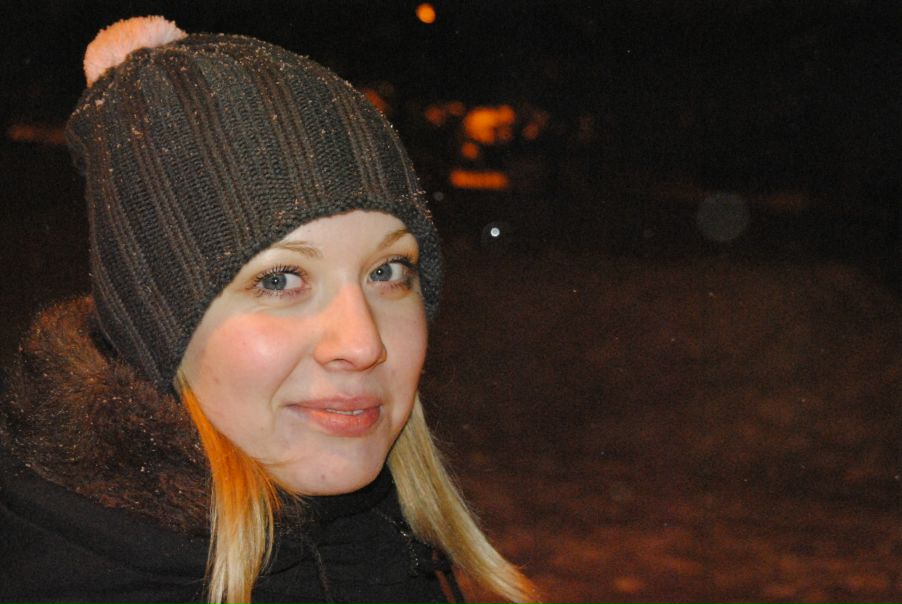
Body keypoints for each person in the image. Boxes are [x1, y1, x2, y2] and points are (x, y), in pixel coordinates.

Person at [0, 16, 539, 604]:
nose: (363, 344)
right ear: (154, 327)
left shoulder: (382, 544)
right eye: (280, 279)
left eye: (387, 272)